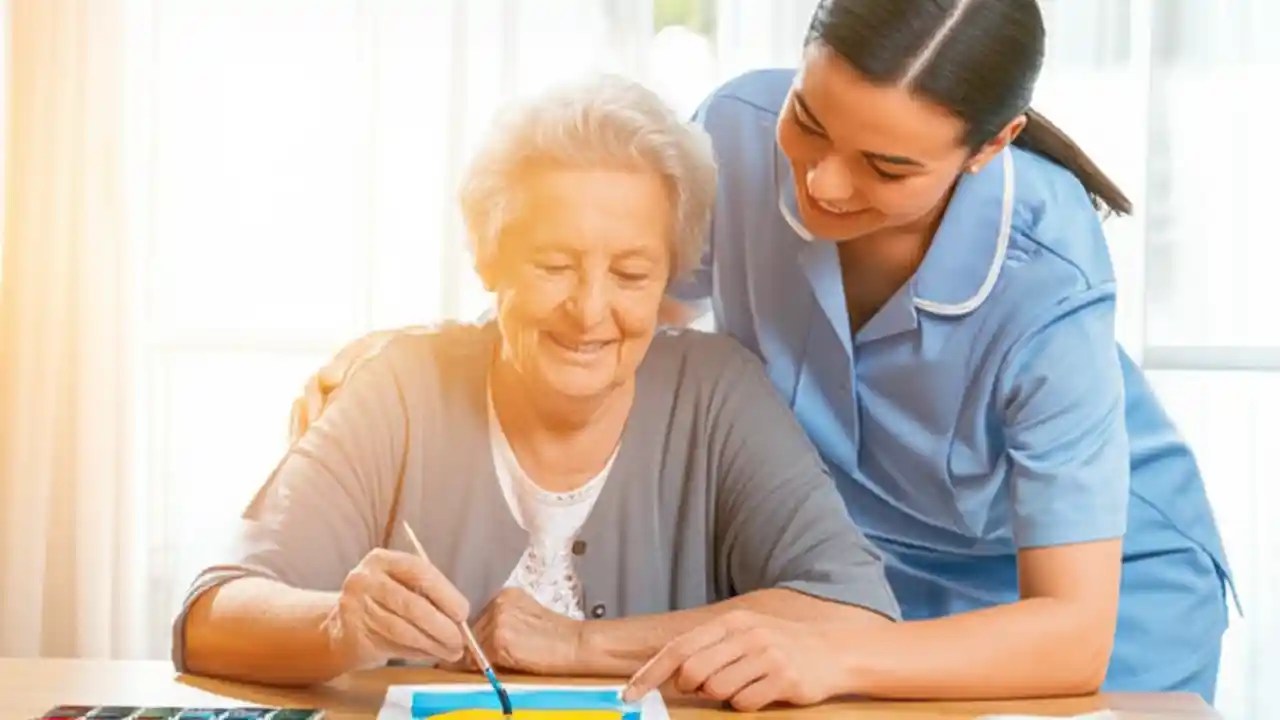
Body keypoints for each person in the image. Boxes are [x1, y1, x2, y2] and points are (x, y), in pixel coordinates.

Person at [298, 0, 1235, 712]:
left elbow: (1071, 633)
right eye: (810, 119)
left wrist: (831, 650)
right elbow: (611, 309)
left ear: (991, 145)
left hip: (1092, 604)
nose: (823, 180)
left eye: (888, 167)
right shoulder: (738, 133)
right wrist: (420, 357)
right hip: (863, 587)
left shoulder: (1049, 274)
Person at [172, 74, 901, 689]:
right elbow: (210, 620)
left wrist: (582, 646)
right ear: (489, 261)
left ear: (670, 276)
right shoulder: (399, 388)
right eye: (554, 266)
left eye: (631, 274)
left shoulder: (718, 394)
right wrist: (338, 625)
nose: (589, 311)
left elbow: (854, 614)